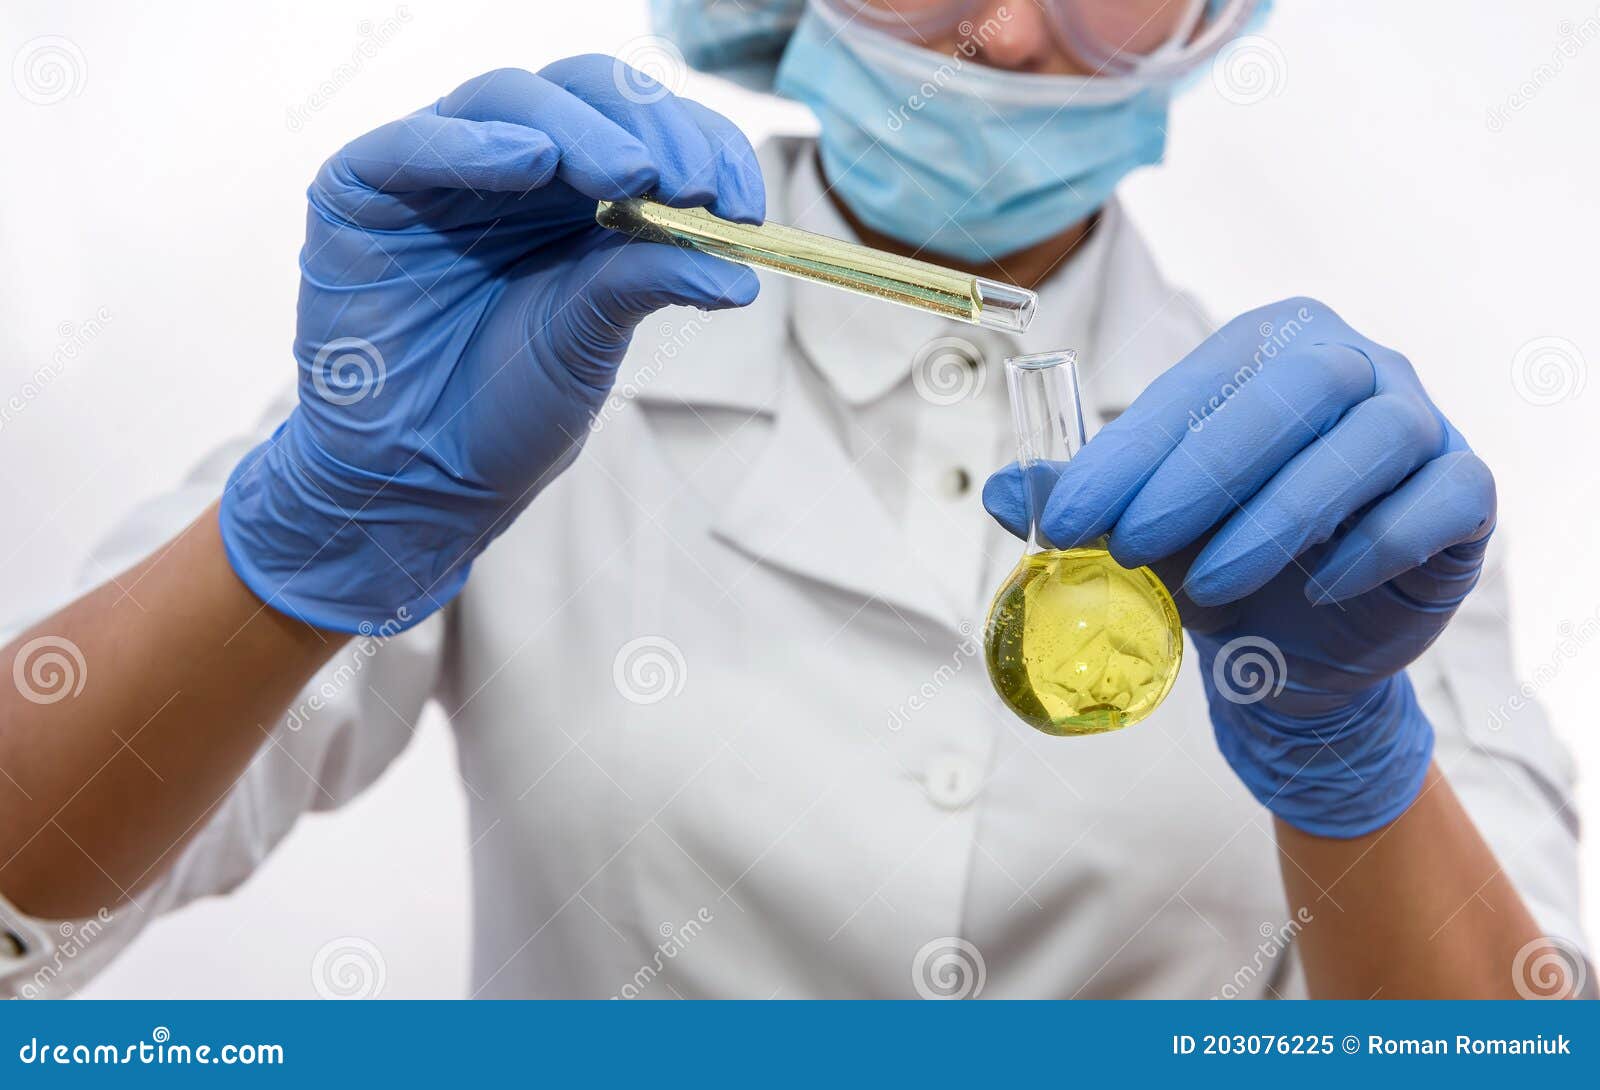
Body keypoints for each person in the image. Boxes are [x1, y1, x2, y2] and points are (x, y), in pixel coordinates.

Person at [0, 0, 1588, 999]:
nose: (1013, 30)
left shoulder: (1337, 483)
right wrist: (308, 540)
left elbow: (1510, 1043)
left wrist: (1351, 766)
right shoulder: (515, 340)